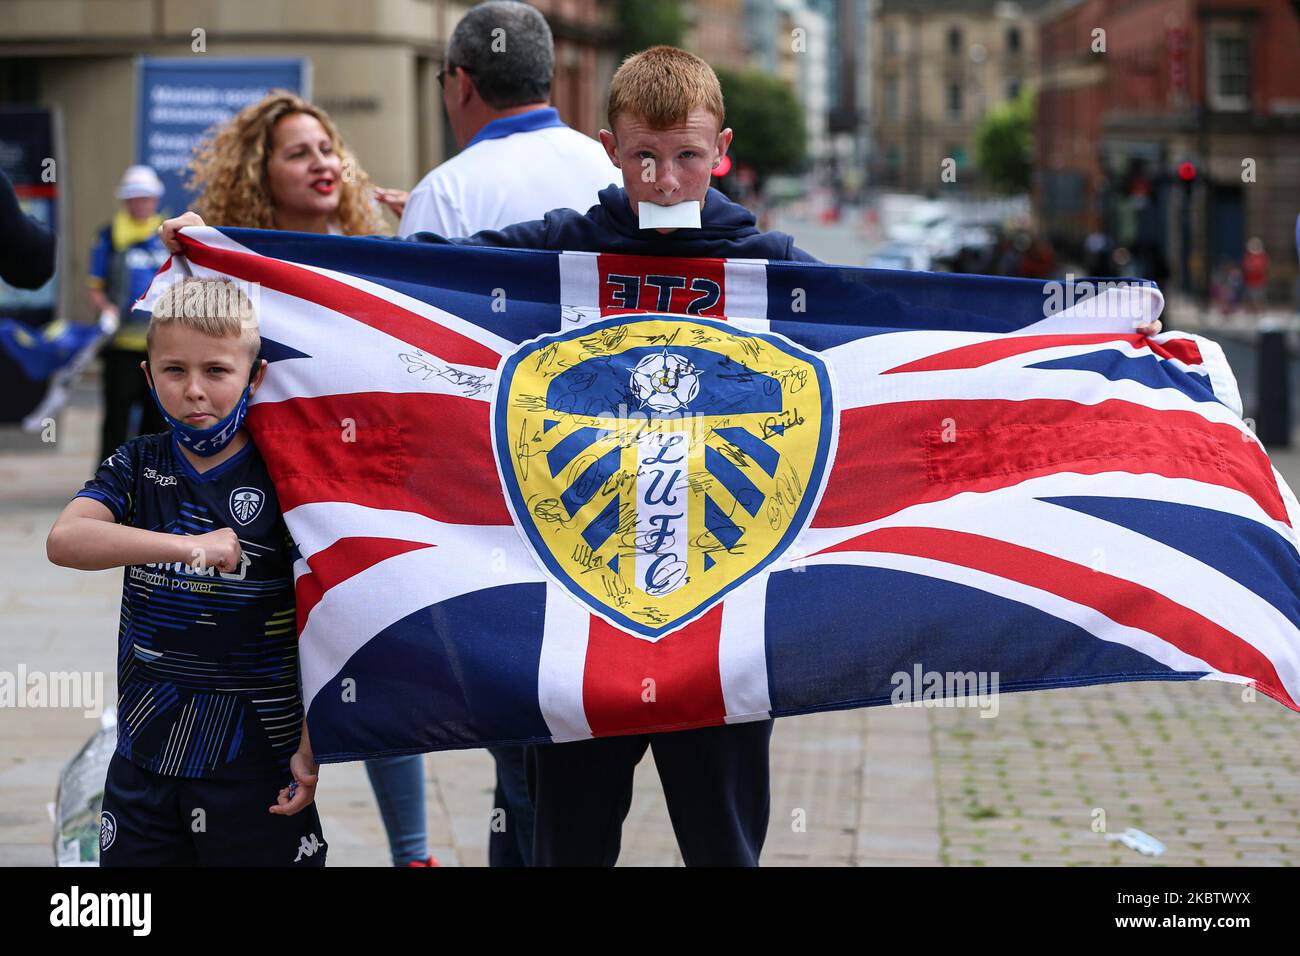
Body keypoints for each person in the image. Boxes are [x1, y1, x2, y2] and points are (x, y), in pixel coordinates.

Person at [160, 46, 1162, 865]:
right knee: (569, 845)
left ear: (720, 151)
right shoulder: (556, 256)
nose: (663, 181)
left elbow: (910, 333)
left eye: (684, 158)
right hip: (578, 620)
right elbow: (411, 289)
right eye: (642, 159)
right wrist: (230, 256)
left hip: (726, 621)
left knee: (722, 846)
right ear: (609, 150)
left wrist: (1092, 325)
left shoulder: (771, 270)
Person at [386, 0, 617, 869]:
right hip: (615, 488)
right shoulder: (610, 168)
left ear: (461, 83)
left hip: (498, 496)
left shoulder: (449, 191)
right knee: (562, 740)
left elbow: (414, 357)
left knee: (519, 733)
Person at [186, 92, 433, 867]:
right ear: (261, 174)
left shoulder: (376, 255)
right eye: (299, 153)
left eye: (327, 149)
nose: (323, 163)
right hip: (270, 512)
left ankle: (415, 856)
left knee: (383, 674)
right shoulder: (238, 274)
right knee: (273, 691)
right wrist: (198, 246)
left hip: (366, 502)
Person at [46, 276, 325, 866]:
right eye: (173, 371)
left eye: (217, 372)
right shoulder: (137, 463)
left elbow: (322, 615)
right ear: (148, 377)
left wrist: (311, 737)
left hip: (257, 761)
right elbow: (66, 539)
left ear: (255, 376)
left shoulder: (289, 477)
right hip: (144, 760)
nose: (194, 391)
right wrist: (187, 547)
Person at [397, 0, 614, 238]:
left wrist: (427, 214)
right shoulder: (621, 174)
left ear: (462, 85)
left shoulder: (444, 194)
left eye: (442, 79)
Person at [89, 165, 172, 463]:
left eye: (145, 198)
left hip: (162, 349)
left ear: (155, 199)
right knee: (116, 419)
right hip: (121, 349)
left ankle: (154, 480)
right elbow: (95, 287)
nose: (140, 204)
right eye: (133, 198)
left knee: (159, 422)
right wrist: (106, 309)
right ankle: (108, 482)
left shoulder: (170, 234)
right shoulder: (109, 235)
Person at [1243, 237, 1269, 314]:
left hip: (1259, 282)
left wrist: (1254, 268)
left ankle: (1260, 313)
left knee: (1259, 299)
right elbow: (1246, 267)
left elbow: (1262, 268)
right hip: (1250, 282)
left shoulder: (1262, 256)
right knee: (1250, 299)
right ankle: (1252, 313)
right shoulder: (1249, 256)